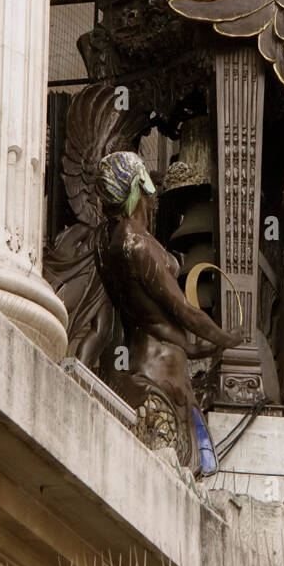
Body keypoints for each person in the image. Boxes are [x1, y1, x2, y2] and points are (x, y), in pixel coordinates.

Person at [95, 151, 241, 473]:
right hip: (163, 382)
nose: (153, 196)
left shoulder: (106, 243)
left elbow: (152, 320)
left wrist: (192, 346)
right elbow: (185, 311)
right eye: (148, 186)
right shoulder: (139, 246)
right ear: (139, 187)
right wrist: (227, 337)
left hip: (143, 365)